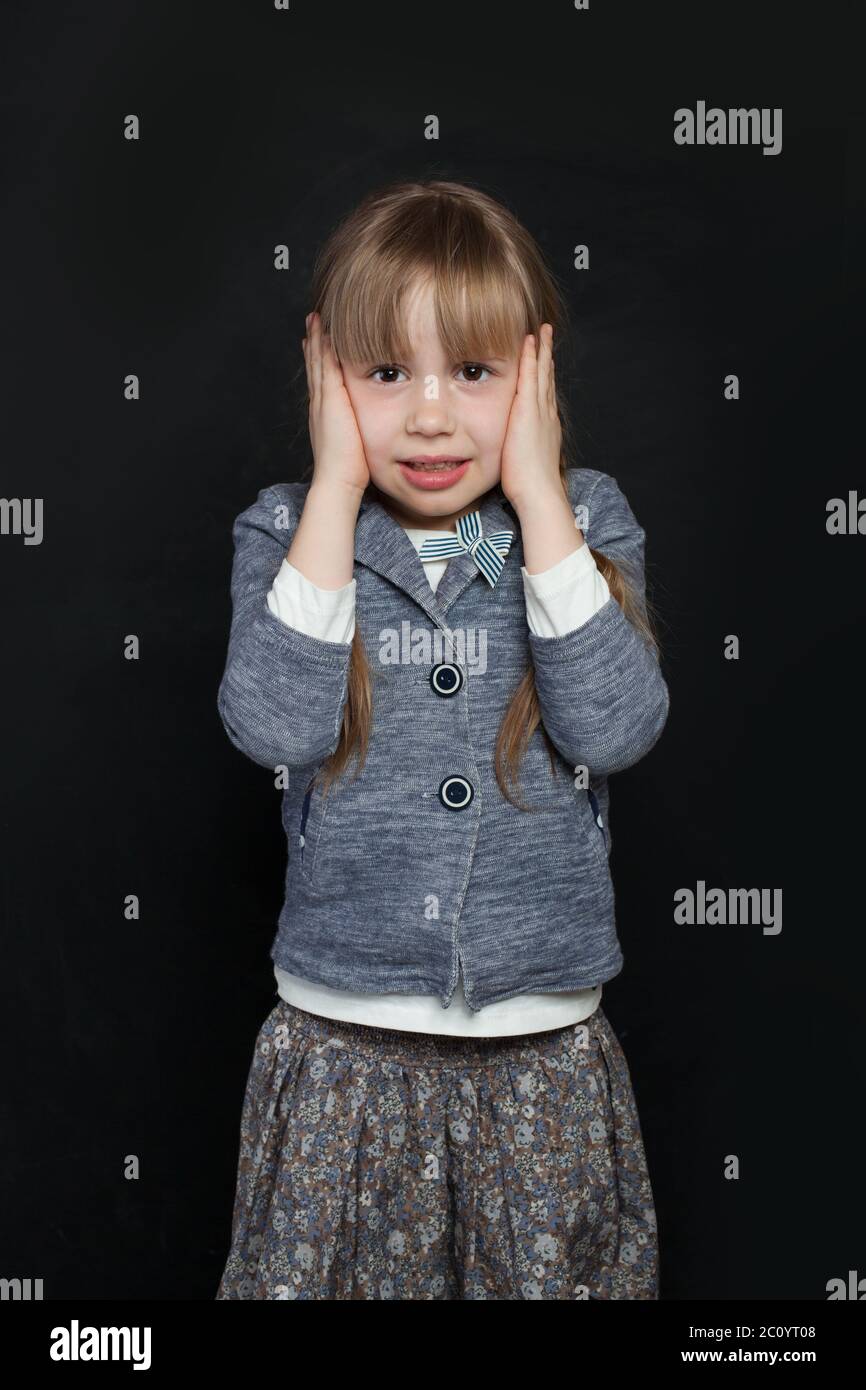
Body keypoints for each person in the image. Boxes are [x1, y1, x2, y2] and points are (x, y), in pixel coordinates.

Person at [215, 179, 670, 1300]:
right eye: (383, 375)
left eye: (472, 373)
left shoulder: (587, 520)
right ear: (328, 382)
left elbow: (613, 728)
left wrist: (538, 491)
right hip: (341, 1054)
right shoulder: (286, 529)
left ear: (536, 372)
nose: (428, 416)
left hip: (542, 1063)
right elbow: (274, 723)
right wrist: (331, 484)